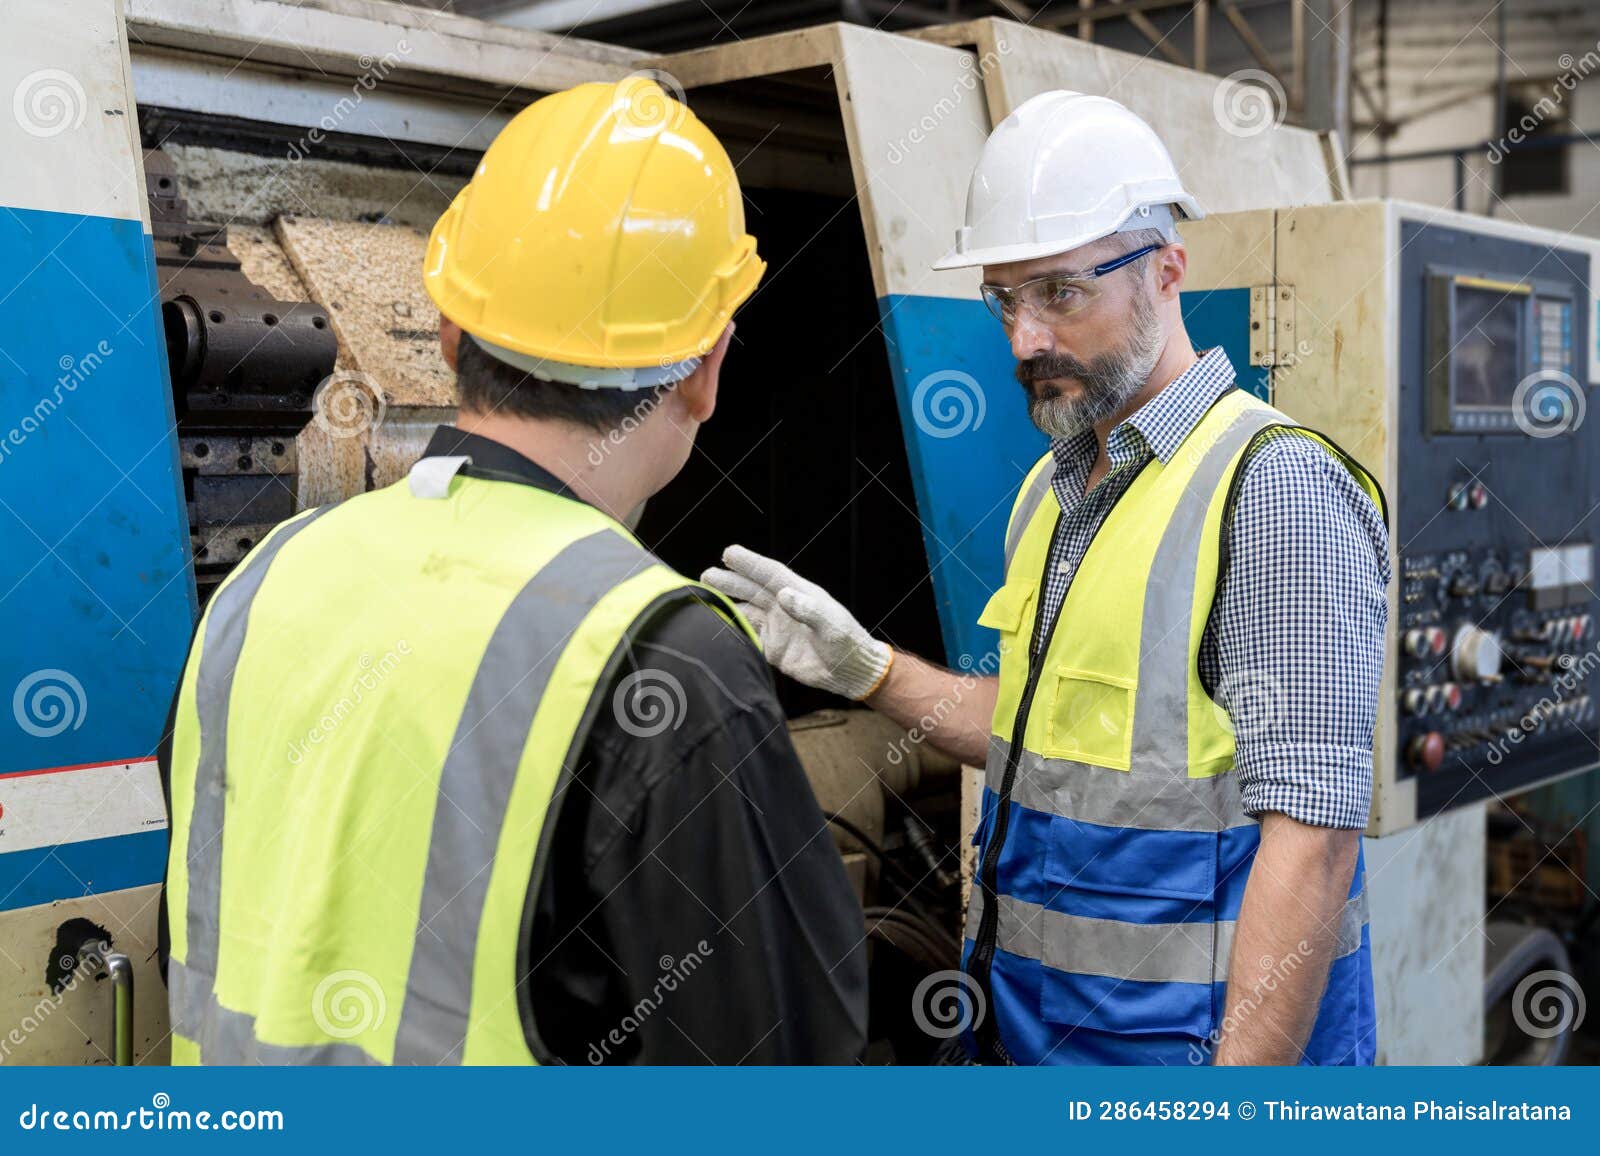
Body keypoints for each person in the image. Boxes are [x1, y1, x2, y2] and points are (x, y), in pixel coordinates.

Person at [158, 78, 866, 1065]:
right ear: (705, 370)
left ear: (449, 333)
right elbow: (779, 1062)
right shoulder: (663, 654)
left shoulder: (263, 580)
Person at [703, 90, 1389, 1066]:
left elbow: (1312, 840)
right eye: (1004, 298)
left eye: (1061, 292)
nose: (1024, 338)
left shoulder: (1271, 489)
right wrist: (867, 671)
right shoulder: (1052, 489)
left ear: (1165, 270)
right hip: (1038, 1043)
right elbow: (1045, 739)